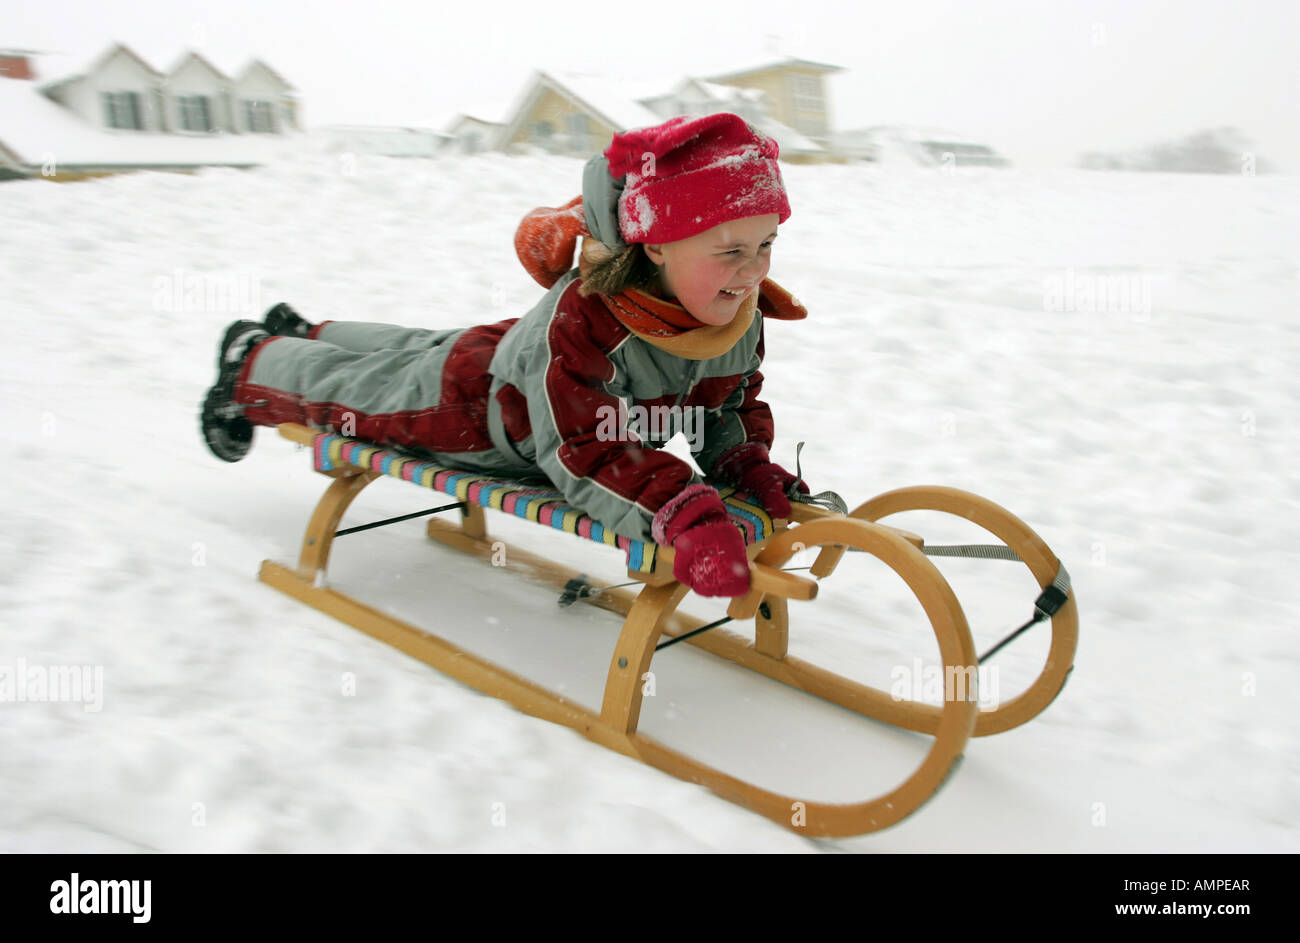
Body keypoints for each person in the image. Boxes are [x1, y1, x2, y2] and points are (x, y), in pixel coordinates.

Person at [201, 112, 810, 598]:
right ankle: (253, 361)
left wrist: (743, 462)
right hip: (476, 413)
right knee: (358, 392)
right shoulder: (588, 321)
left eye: (766, 244)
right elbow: (584, 449)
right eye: (730, 250)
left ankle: (307, 329)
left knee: (410, 349)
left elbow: (720, 406)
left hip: (521, 364)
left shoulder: (736, 314)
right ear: (655, 247)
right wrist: (681, 512)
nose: (752, 269)